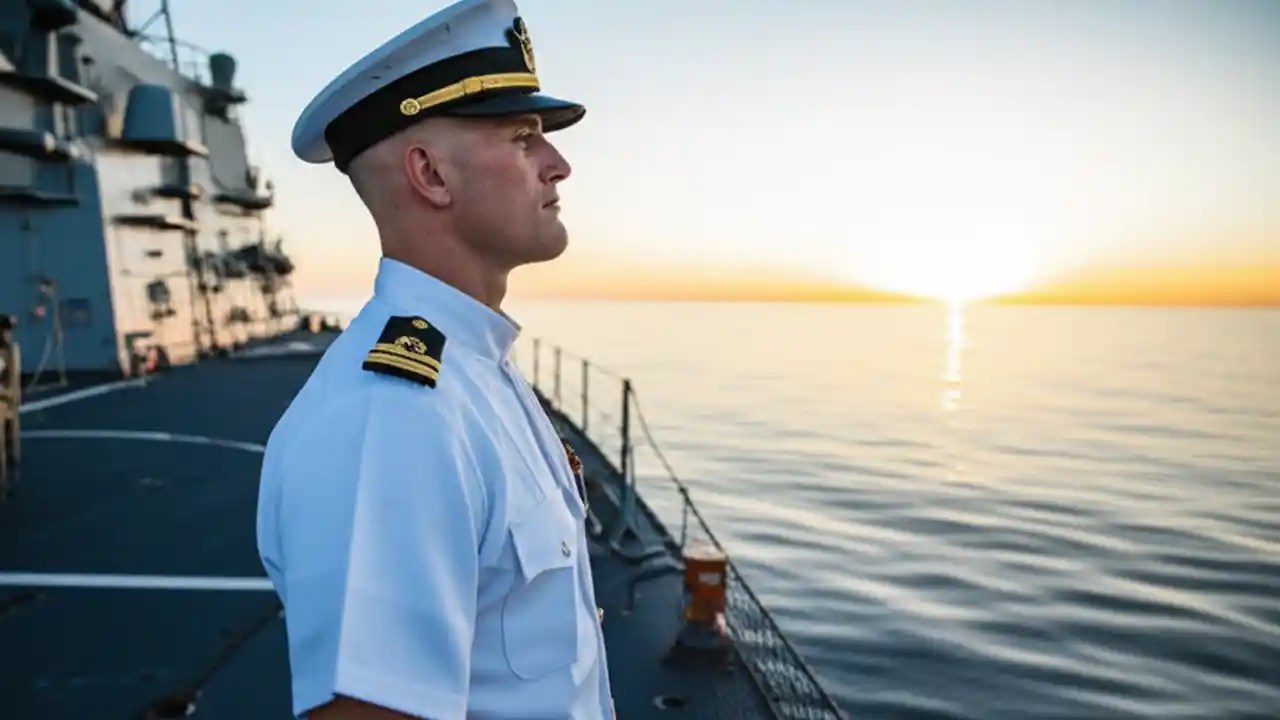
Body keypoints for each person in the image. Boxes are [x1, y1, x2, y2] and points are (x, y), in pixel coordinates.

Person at [255, 1, 612, 718]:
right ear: (431, 176)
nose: (559, 164)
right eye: (522, 138)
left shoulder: (476, 370)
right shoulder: (390, 418)